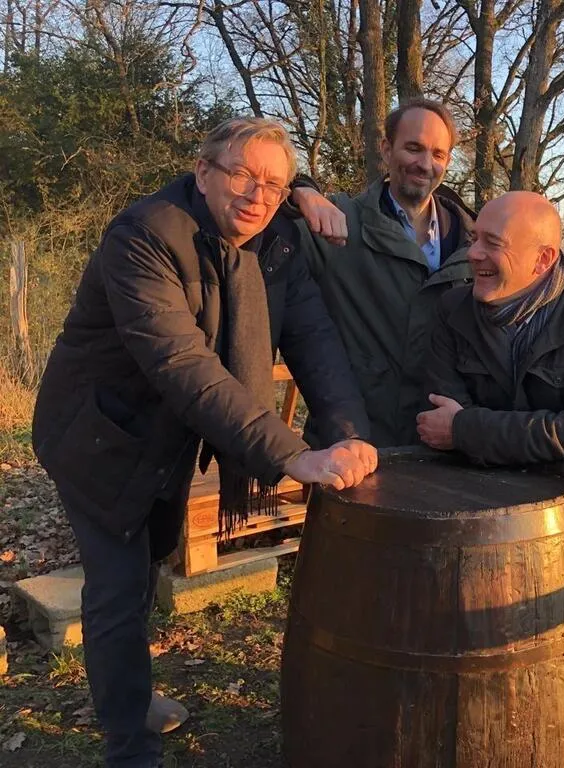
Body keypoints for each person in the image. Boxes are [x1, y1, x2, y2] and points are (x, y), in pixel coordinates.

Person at [32, 117, 378, 768]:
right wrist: (289, 454)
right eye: (242, 174)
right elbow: (184, 366)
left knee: (151, 563)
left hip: (171, 438)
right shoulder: (144, 236)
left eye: (275, 184)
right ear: (202, 171)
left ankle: (131, 696)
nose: (257, 194)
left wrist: (348, 434)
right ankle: (128, 744)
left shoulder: (277, 245)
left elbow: (317, 343)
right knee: (116, 584)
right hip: (98, 435)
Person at [417, 191, 564, 767]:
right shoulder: (453, 311)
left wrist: (470, 430)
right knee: (476, 617)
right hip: (480, 492)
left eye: (493, 244)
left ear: (542, 261)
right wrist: (497, 433)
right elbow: (439, 413)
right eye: (475, 238)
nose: (474, 255)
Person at [292, 98, 476, 447]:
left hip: (441, 454)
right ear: (386, 149)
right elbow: (258, 201)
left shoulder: (474, 241)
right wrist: (298, 190)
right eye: (413, 148)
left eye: (438, 154)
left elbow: (544, 269)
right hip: (349, 444)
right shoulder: (335, 223)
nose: (425, 164)